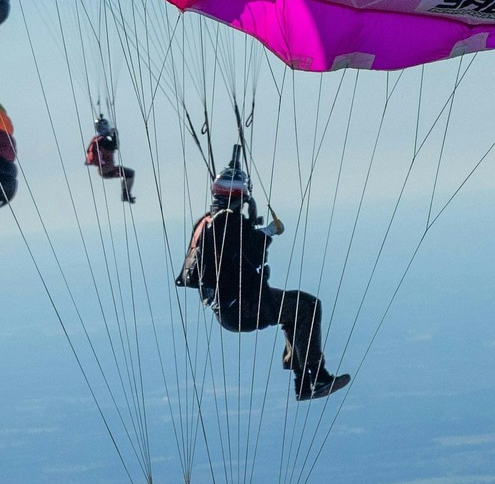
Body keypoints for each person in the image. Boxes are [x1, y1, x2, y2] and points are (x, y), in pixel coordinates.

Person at [176, 149, 349, 400]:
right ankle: (314, 376)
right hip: (244, 307)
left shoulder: (206, 222)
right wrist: (269, 232)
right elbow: (251, 252)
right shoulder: (228, 223)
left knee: (297, 308)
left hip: (228, 307)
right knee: (308, 307)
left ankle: (303, 382)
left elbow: (234, 253)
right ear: (240, 196)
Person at [85, 114, 135, 204]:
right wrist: (115, 134)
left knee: (127, 174)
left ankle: (125, 194)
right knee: (129, 174)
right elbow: (114, 145)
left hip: (106, 169)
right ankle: (125, 194)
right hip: (107, 170)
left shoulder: (100, 140)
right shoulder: (103, 141)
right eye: (106, 127)